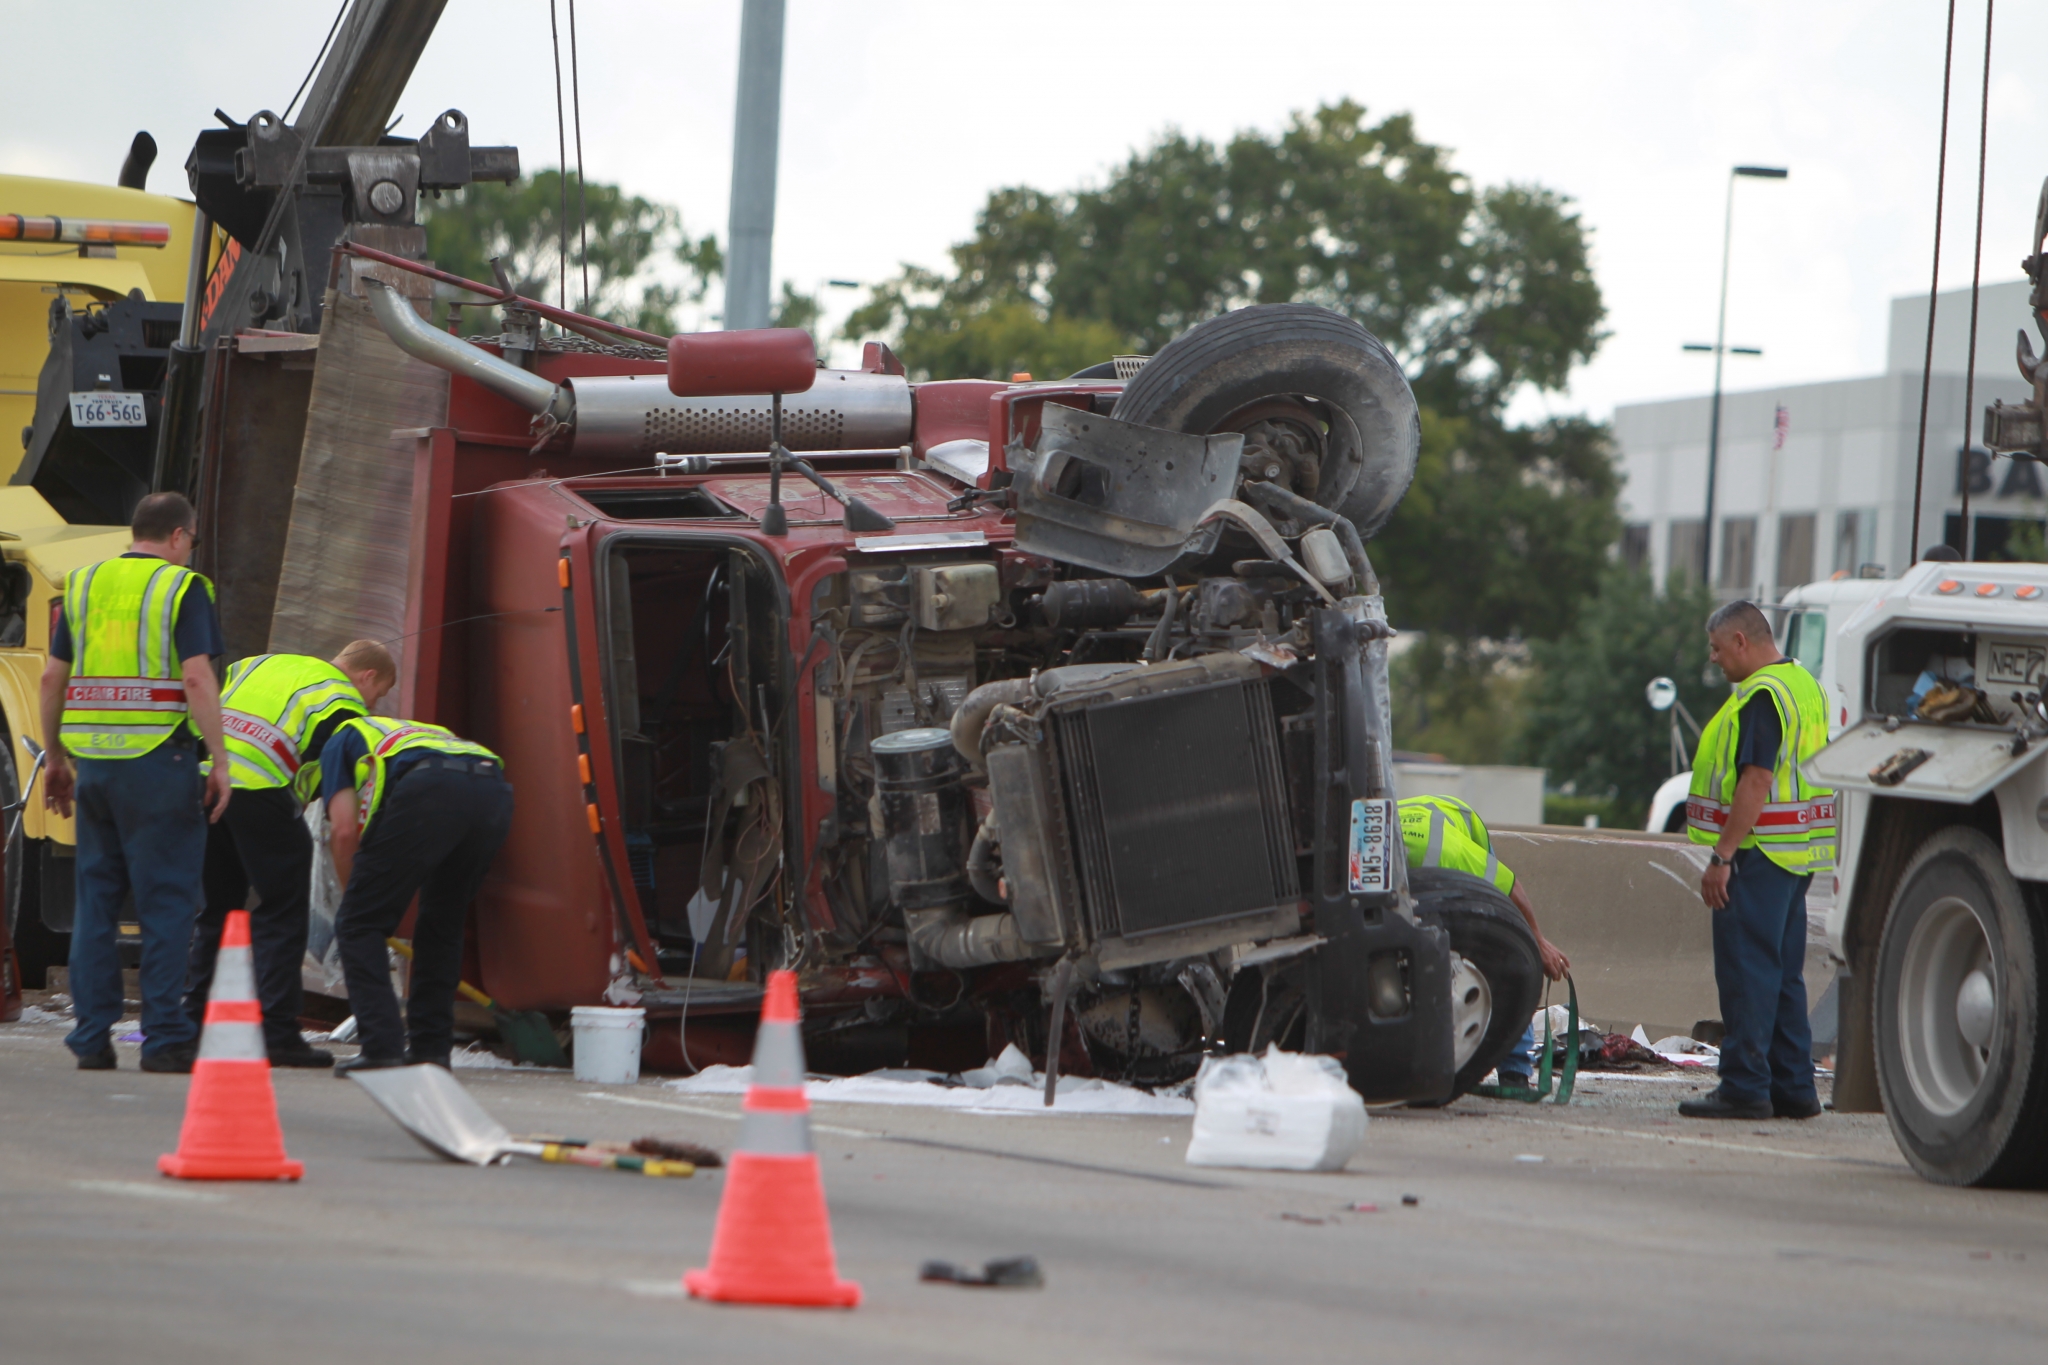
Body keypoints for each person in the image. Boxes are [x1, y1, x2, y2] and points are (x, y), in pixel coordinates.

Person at [40, 492, 230, 1073]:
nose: (190, 551)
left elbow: (52, 678)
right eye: (192, 541)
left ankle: (92, 1039)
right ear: (178, 536)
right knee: (167, 904)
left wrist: (55, 759)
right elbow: (197, 679)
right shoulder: (182, 588)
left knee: (95, 903)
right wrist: (220, 761)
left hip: (93, 765)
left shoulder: (83, 585)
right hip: (157, 764)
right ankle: (166, 1039)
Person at [182, 641, 398, 1068]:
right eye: (380, 693)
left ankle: (191, 1024)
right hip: (260, 792)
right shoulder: (342, 700)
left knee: (217, 911)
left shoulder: (259, 662)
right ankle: (276, 1032)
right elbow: (331, 771)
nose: (374, 703)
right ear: (367, 676)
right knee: (283, 910)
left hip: (208, 784)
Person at [1682, 600, 1836, 1120]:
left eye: (1717, 648)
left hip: (1759, 853)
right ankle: (1793, 1089)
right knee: (1782, 973)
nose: (1713, 659)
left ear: (1742, 643)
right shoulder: (1804, 685)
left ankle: (1745, 1086)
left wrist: (1721, 856)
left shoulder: (1763, 696)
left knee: (1748, 970)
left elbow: (1756, 781)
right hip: (1798, 852)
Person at [321, 715, 513, 1074]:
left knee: (359, 923)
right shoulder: (422, 732)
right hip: (493, 791)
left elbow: (344, 831)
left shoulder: (339, 740)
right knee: (443, 924)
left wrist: (358, 901)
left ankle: (381, 1047)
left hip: (431, 786)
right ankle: (430, 1050)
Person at [1399, 794, 1570, 1087]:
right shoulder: (1366, 856)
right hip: (1412, 824)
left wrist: (1537, 943)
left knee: (1502, 953)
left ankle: (1514, 1068)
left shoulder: (1449, 854)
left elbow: (1509, 888)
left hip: (1458, 824)